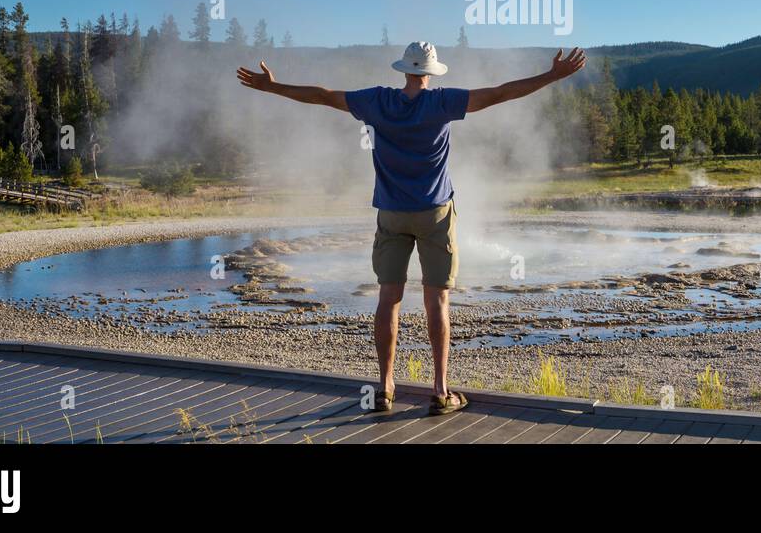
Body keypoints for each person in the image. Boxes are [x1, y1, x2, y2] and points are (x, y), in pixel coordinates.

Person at [237, 40, 586, 415]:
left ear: (404, 70)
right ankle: (439, 390)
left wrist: (272, 86)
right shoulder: (442, 103)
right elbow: (501, 93)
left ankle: (385, 387)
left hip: (392, 212)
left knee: (389, 298)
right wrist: (552, 76)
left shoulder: (377, 102)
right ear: (431, 73)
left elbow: (321, 95)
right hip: (435, 212)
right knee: (436, 299)